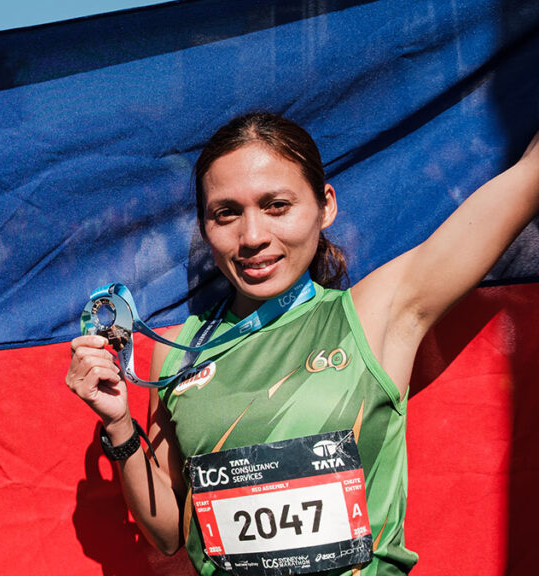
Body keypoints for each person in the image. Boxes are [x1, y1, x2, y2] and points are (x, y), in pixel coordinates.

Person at [66, 112, 539, 575]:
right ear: (205, 226)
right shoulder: (178, 351)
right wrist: (119, 426)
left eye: (276, 206)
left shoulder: (375, 314)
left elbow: (526, 178)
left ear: (325, 206)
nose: (252, 236)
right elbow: (169, 533)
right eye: (227, 213)